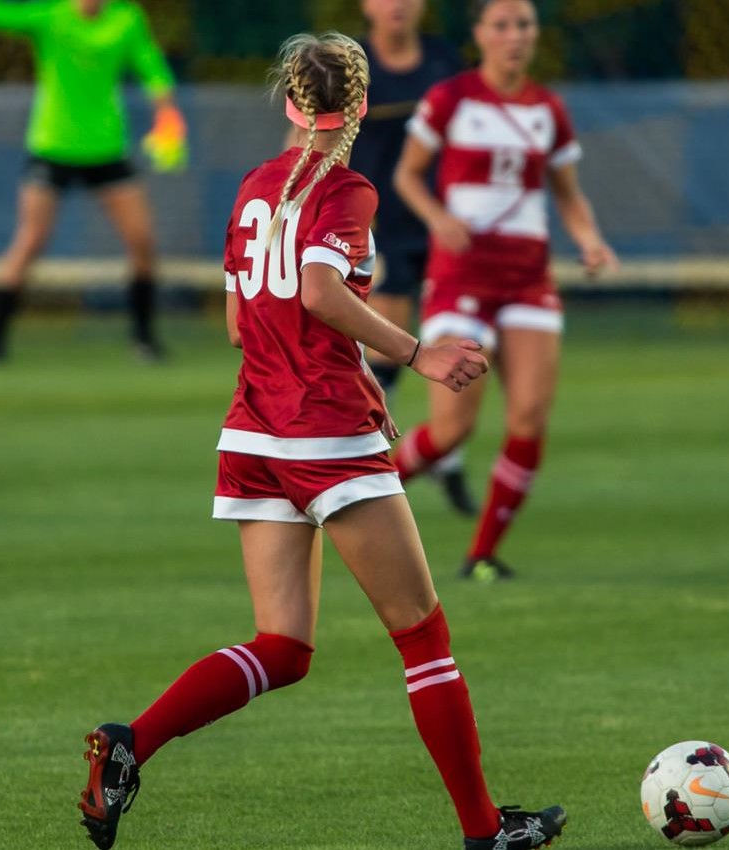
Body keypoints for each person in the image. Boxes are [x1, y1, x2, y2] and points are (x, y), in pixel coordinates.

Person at [72, 32, 567, 850]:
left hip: (253, 432)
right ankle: (486, 833)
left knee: (284, 645)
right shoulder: (348, 191)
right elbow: (319, 292)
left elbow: (242, 325)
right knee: (423, 637)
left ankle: (131, 744)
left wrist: (357, 375)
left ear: (292, 105)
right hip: (322, 437)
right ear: (362, 108)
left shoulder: (254, 187)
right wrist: (413, 353)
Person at [390, 0, 617, 582]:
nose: (514, 37)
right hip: (463, 276)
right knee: (452, 429)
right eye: (502, 26)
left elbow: (566, 192)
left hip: (527, 278)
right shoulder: (451, 98)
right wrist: (437, 217)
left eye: (524, 26)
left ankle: (482, 553)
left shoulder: (548, 109)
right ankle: (345, 496)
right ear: (480, 35)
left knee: (530, 417)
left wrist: (590, 240)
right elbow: (407, 174)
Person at [0, 0, 184, 365]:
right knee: (30, 240)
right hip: (52, 146)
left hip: (107, 147)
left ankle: (144, 340)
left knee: (142, 241)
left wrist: (167, 114)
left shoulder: (127, 20)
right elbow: (2, 15)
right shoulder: (52, 17)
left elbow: (153, 69)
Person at [349, 0, 477, 517]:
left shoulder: (445, 63)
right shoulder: (354, 64)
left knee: (454, 349)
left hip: (447, 224)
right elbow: (311, 131)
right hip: (381, 228)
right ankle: (372, 459)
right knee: (390, 352)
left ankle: (448, 458)